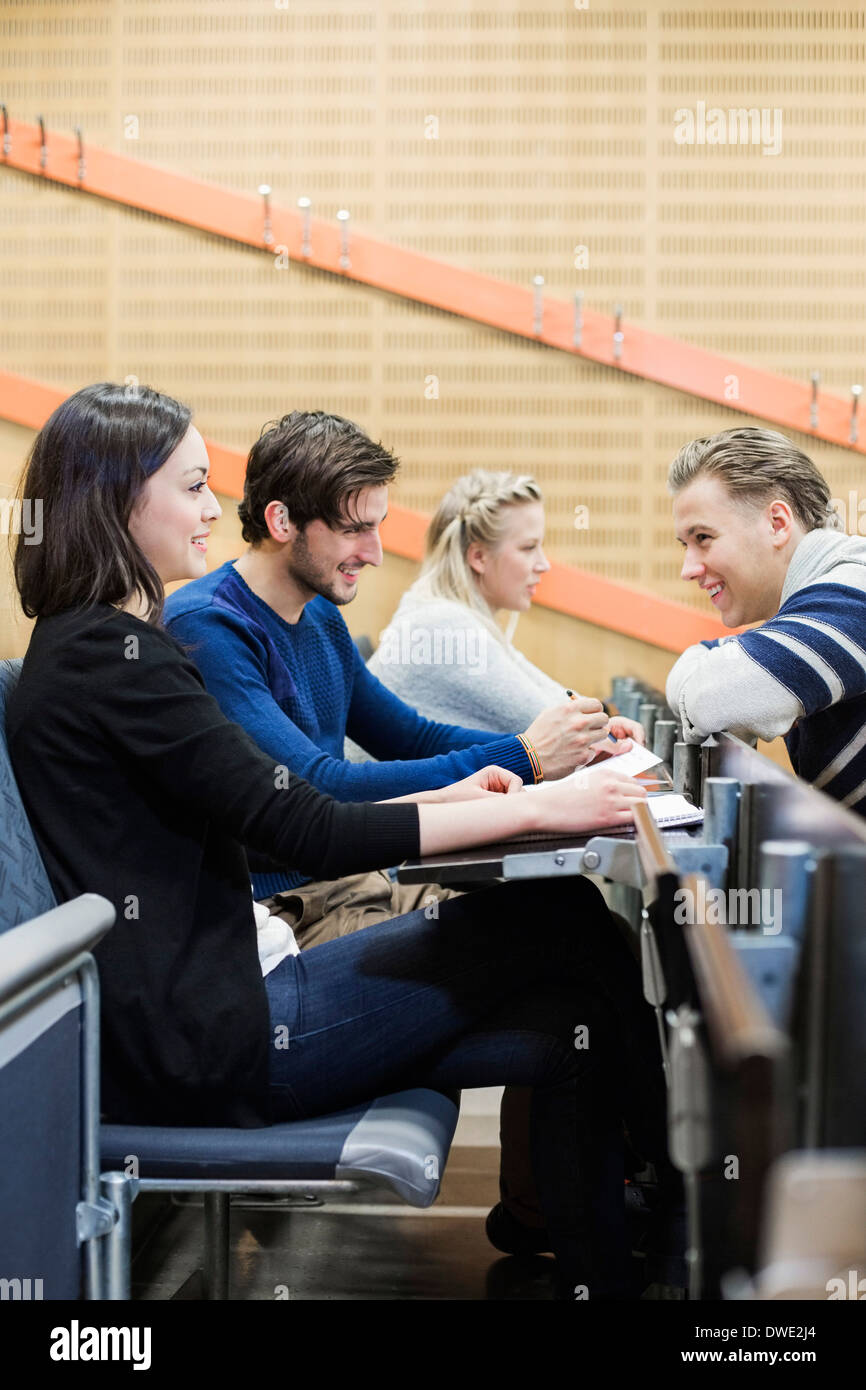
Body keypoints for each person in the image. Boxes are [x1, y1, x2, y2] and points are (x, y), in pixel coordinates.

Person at [7, 382, 677, 1300]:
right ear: (121, 499)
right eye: (194, 487)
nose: (213, 509)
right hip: (223, 1040)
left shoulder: (99, 646)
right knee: (558, 916)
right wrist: (542, 804)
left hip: (234, 997)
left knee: (576, 1027)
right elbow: (308, 823)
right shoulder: (119, 659)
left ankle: (628, 1268)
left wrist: (500, 788)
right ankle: (689, 1205)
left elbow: (313, 794)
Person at [666, 427, 866, 816]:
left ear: (777, 523)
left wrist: (705, 689)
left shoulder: (856, 590)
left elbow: (717, 696)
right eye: (684, 545)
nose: (688, 569)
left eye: (703, 537)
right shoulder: (812, 604)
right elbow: (707, 665)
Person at [360, 469, 590, 732]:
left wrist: (603, 721)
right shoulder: (443, 627)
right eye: (528, 548)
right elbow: (567, 730)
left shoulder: (434, 609)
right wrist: (601, 726)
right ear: (479, 557)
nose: (544, 564)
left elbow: (561, 703)